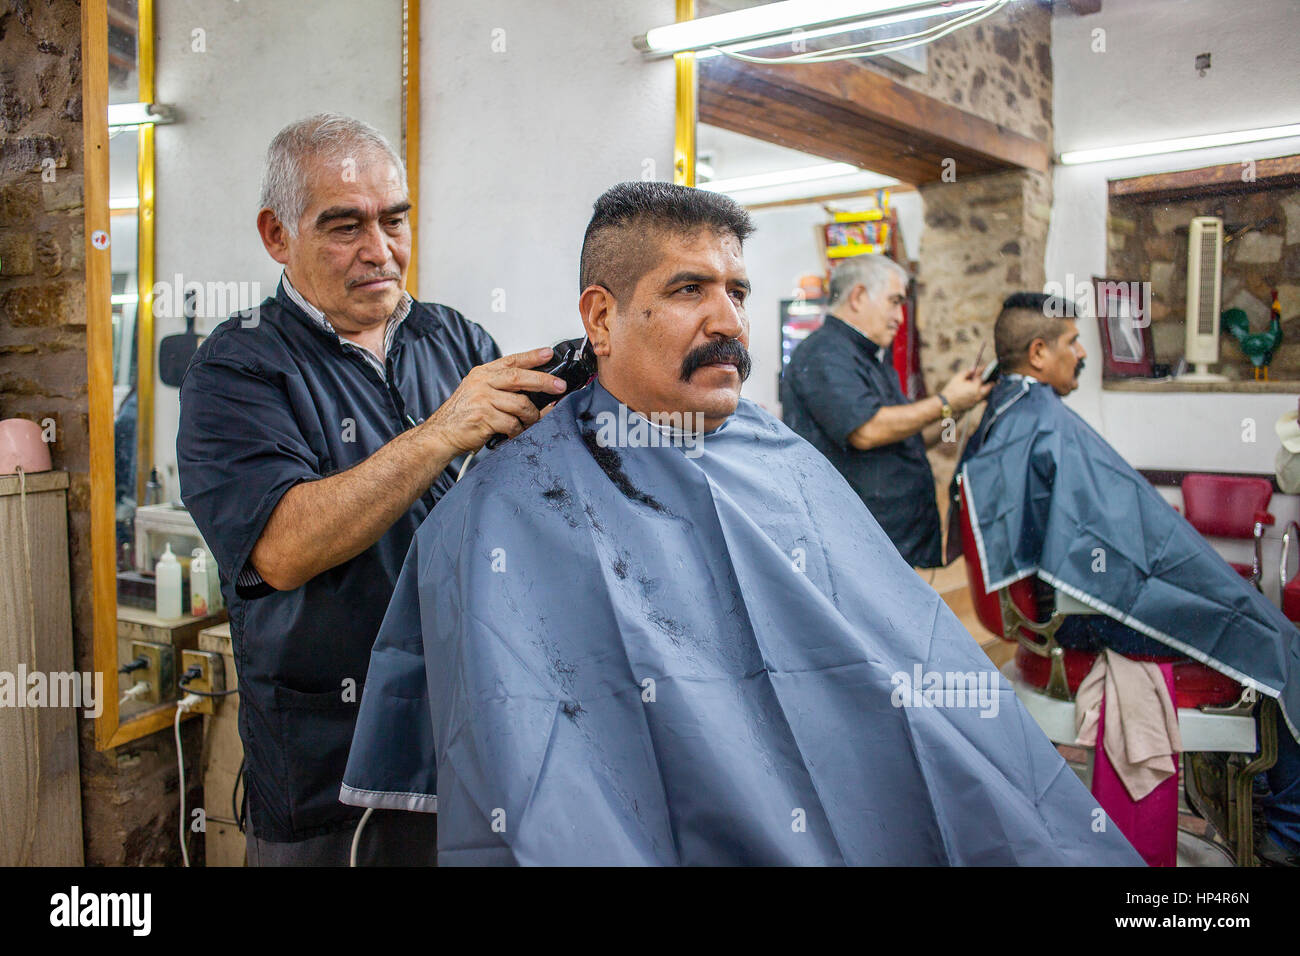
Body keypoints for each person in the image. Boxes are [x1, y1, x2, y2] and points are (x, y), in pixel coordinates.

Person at [340, 182, 1144, 866]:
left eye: (738, 292)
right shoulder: (511, 502)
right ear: (602, 318)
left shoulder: (776, 454)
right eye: (690, 290)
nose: (728, 320)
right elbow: (530, 770)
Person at [176, 114, 568, 865]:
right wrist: (439, 433)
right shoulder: (237, 370)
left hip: (460, 737)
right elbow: (284, 549)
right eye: (344, 226)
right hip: (329, 764)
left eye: (394, 221)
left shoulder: (453, 340)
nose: (380, 252)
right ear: (276, 235)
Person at [951, 291, 1300, 866]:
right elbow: (1103, 546)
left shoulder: (1003, 419)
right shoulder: (1043, 423)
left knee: (1256, 623)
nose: (1082, 352)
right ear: (1038, 353)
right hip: (1080, 619)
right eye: (1072, 342)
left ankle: (1265, 799)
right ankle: (1288, 830)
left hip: (1055, 614)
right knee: (1275, 637)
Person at [780, 254, 991, 568]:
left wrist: (957, 408)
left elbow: (911, 434)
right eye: (894, 302)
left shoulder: (870, 358)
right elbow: (867, 430)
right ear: (858, 296)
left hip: (895, 543)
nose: (899, 317)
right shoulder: (823, 352)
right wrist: (946, 401)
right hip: (856, 547)